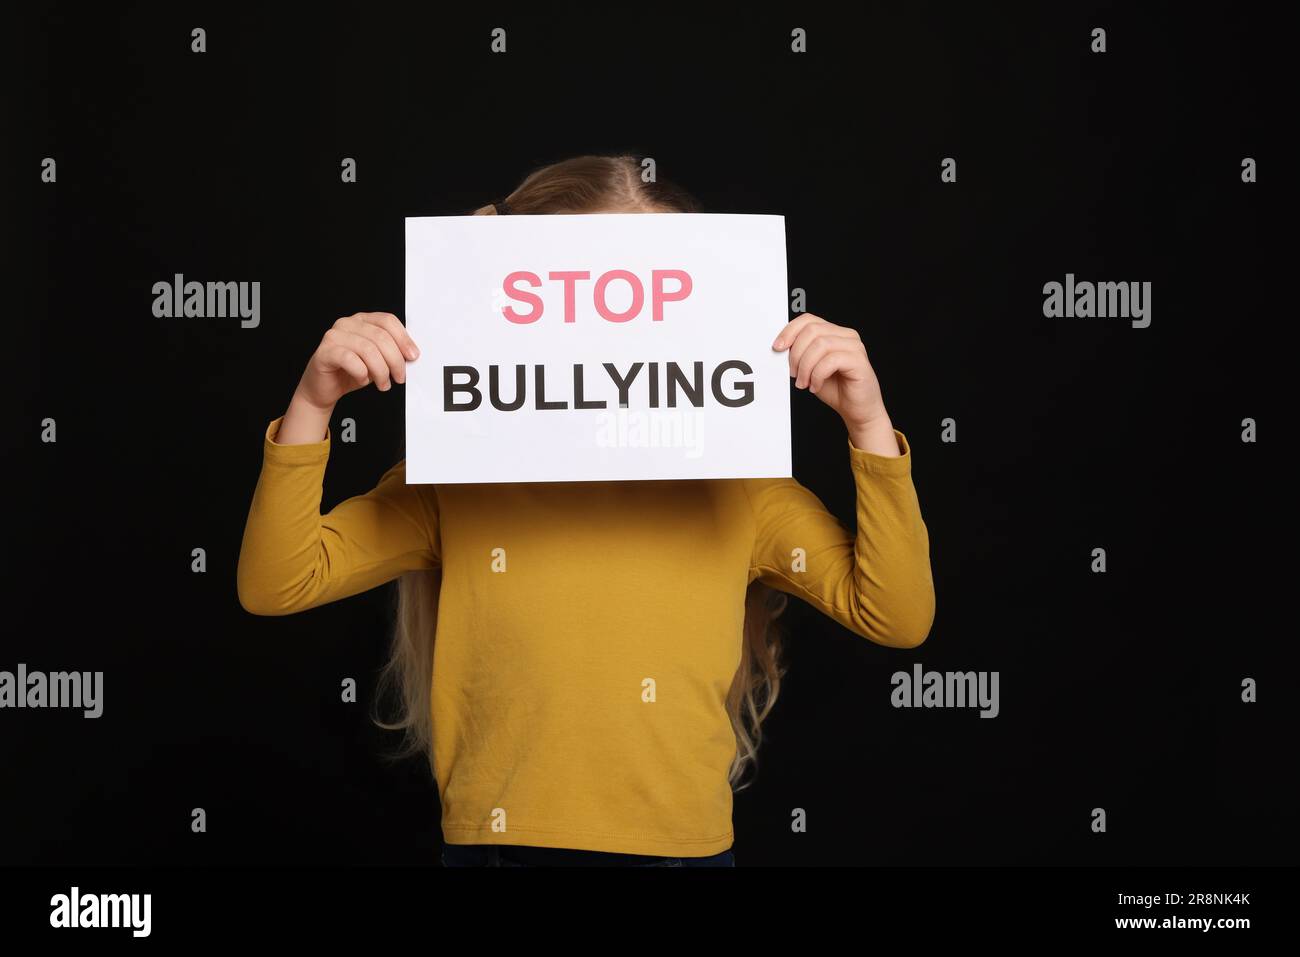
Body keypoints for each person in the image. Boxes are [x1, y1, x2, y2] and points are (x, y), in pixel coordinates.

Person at [236, 154, 936, 867]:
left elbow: (895, 612)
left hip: (680, 856)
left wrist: (868, 424)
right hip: (499, 853)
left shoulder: (741, 487)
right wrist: (313, 402)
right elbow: (278, 582)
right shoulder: (460, 476)